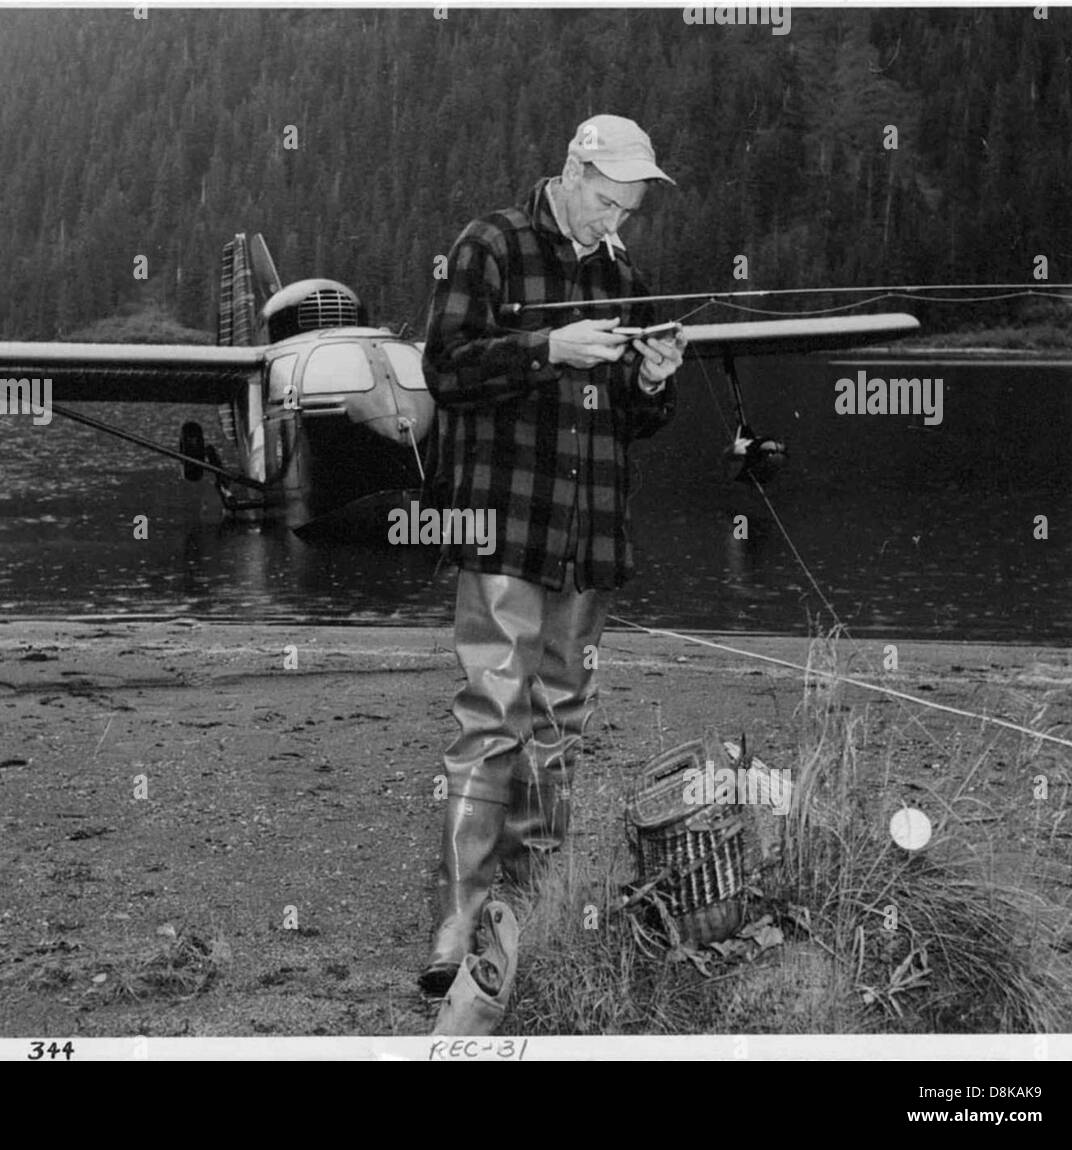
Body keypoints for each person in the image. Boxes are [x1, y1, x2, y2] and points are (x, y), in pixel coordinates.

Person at [418, 114, 686, 996]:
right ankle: (458, 920)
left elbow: (636, 422)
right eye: (606, 199)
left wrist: (651, 379)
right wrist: (547, 349)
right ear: (572, 169)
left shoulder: (623, 275)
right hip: (502, 526)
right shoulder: (489, 244)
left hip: (589, 532)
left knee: (559, 724)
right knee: (491, 715)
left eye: (630, 209)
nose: (615, 220)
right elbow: (446, 370)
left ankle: (527, 907)